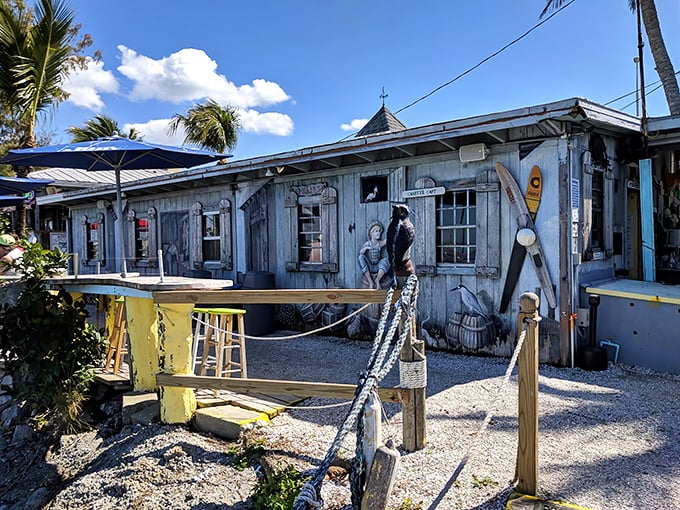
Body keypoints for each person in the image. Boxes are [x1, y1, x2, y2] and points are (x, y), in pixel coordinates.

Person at [358, 221, 390, 289]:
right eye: (376, 231)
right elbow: (361, 252)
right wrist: (366, 248)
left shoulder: (379, 243)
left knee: (387, 260)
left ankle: (377, 279)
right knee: (361, 257)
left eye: (379, 231)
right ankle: (370, 281)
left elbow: (387, 240)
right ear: (371, 233)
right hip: (370, 266)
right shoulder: (368, 243)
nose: (378, 233)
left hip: (377, 266)